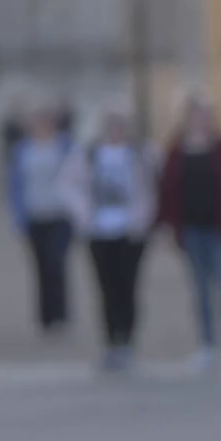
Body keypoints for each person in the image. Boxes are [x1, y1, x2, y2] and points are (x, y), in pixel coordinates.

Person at [156, 91, 221, 371]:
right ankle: (207, 345)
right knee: (201, 290)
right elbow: (167, 192)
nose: (201, 121)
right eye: (196, 116)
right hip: (192, 231)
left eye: (205, 115)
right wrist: (167, 225)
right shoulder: (176, 151)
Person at [65, 109, 156, 372]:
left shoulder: (142, 154)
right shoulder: (88, 154)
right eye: (111, 125)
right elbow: (69, 186)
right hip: (99, 231)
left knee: (128, 287)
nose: (116, 130)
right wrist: (83, 215)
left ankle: (126, 340)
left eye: (121, 125)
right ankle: (110, 341)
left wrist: (143, 218)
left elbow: (153, 188)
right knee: (106, 289)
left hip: (130, 232)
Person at [9, 106, 77, 335]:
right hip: (34, 215)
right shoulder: (23, 150)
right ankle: (45, 316)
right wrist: (17, 216)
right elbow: (16, 185)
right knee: (40, 266)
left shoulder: (65, 146)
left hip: (60, 215)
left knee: (56, 263)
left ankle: (61, 314)